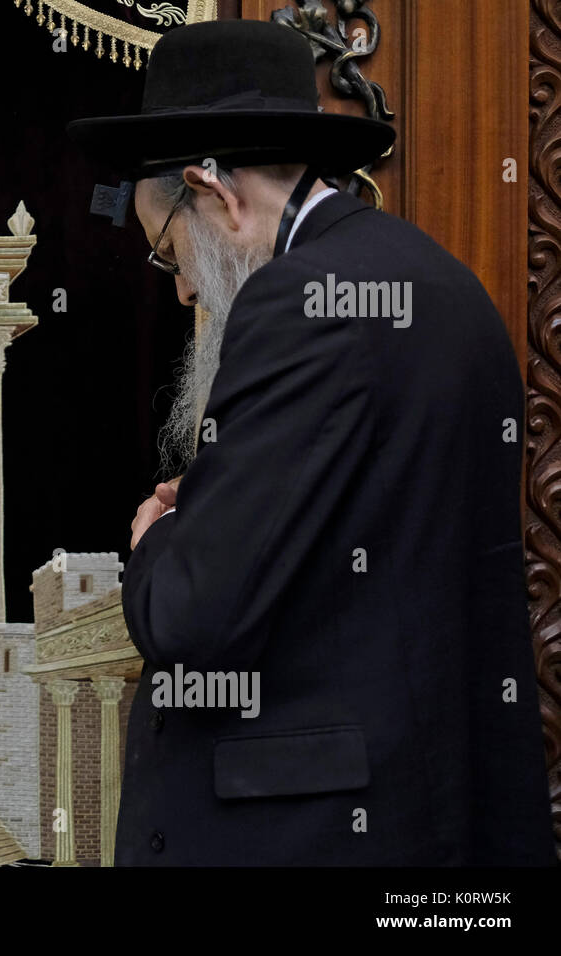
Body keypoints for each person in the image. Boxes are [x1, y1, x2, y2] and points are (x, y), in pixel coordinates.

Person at [67, 19, 554, 865]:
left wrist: (163, 538)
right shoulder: (444, 282)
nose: (183, 288)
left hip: (306, 835)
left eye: (167, 251)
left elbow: (190, 614)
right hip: (430, 817)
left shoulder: (297, 304)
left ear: (211, 192)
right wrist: (222, 503)